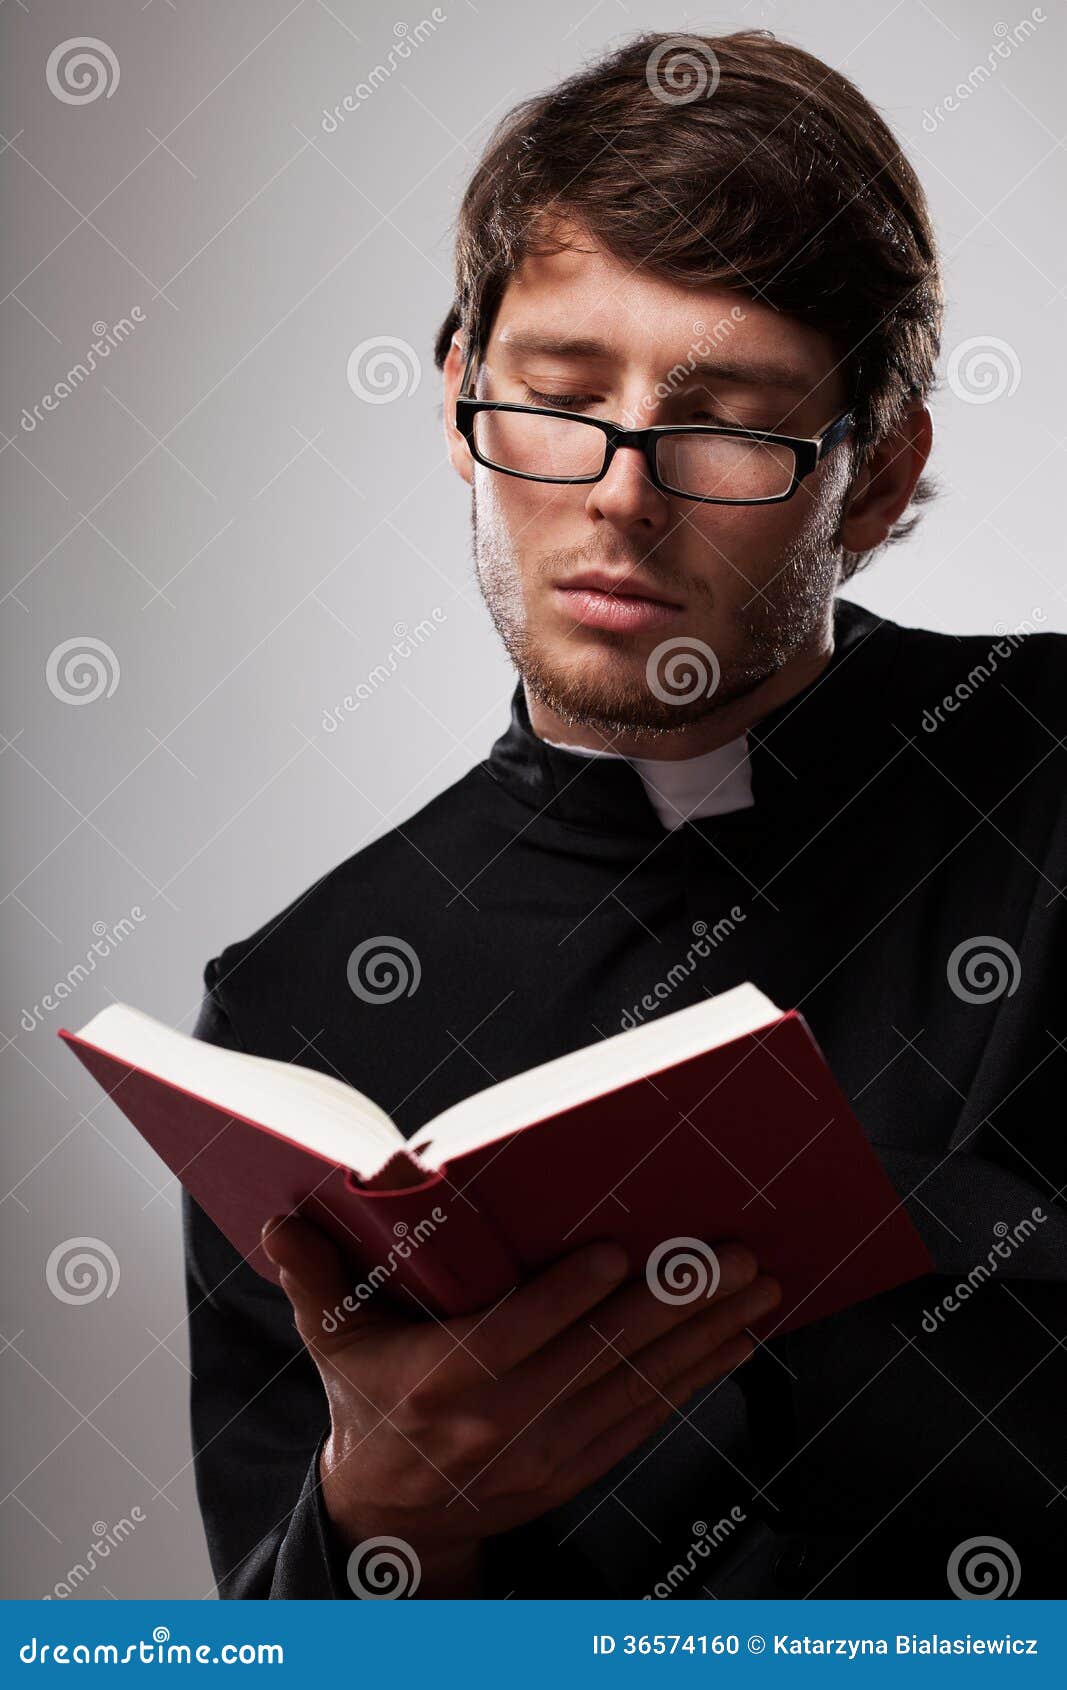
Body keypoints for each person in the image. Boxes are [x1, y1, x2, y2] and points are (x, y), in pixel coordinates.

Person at [183, 30, 1067, 1600]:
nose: (620, 494)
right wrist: (381, 1514)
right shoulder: (290, 1013)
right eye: (560, 395)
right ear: (461, 398)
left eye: (722, 418)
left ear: (873, 477)